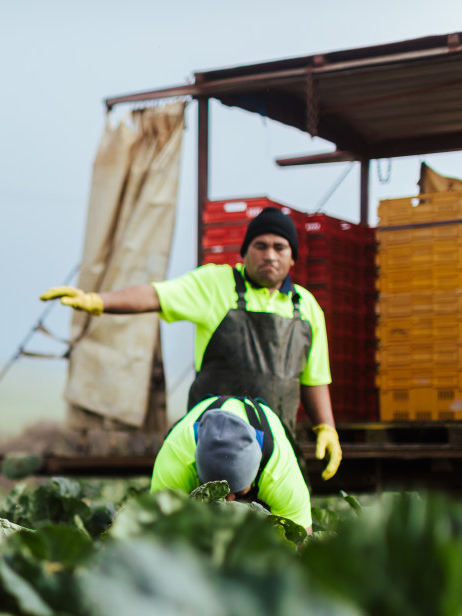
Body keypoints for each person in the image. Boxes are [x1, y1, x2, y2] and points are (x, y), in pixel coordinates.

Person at [40, 207, 342, 480]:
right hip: (212, 448)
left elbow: (313, 380)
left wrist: (325, 427)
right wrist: (98, 301)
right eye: (260, 246)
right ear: (245, 251)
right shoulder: (215, 284)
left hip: (275, 452)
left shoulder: (307, 308)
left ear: (293, 257)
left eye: (280, 247)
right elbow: (155, 295)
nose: (270, 255)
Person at [151, 395, 312, 532]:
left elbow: (300, 543)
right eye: (215, 491)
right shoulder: (176, 458)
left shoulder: (279, 473)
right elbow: (157, 537)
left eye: (239, 493)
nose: (229, 500)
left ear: (256, 472)